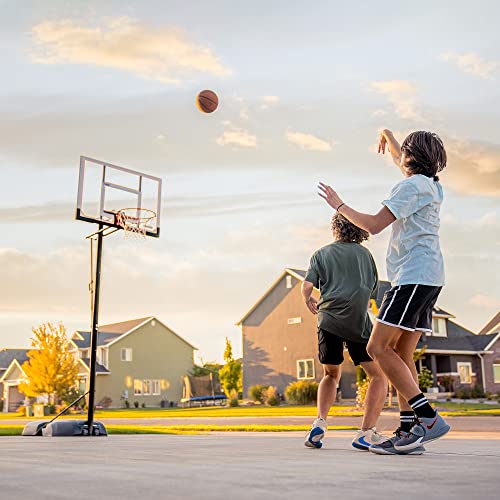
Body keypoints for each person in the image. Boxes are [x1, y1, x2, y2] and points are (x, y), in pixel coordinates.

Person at [318, 129, 450, 455]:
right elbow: (399, 159)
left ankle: (427, 417)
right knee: (402, 355)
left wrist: (340, 205)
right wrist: (389, 135)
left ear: (411, 159)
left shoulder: (409, 186)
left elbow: (374, 225)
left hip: (411, 278)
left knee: (377, 346)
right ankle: (410, 431)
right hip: (430, 277)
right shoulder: (430, 185)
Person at [302, 212, 388, 451]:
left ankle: (320, 422)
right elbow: (372, 292)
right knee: (378, 375)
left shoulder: (321, 254)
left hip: (327, 320)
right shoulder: (365, 255)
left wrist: (308, 299)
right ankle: (365, 432)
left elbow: (307, 285)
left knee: (330, 375)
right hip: (357, 322)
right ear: (359, 229)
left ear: (336, 229)